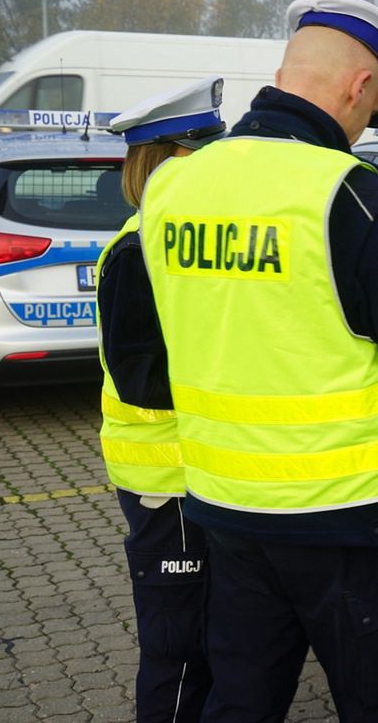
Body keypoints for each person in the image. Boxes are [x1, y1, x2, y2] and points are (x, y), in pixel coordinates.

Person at [107, 0, 378, 721]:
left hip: (227, 511)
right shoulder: (356, 198)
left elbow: (147, 370)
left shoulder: (172, 191)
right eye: (370, 112)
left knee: (239, 703)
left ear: (285, 73)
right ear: (360, 88)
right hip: (352, 520)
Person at [97, 76, 228, 722]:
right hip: (166, 478)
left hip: (206, 472)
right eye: (202, 153)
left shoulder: (188, 240)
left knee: (214, 644)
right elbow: (141, 378)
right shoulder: (139, 248)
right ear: (165, 160)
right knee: (179, 654)